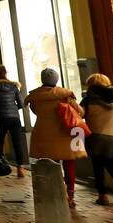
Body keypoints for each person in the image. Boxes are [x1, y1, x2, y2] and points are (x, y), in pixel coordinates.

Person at [25, 67, 86, 207]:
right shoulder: (65, 95)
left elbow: (36, 112)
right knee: (69, 164)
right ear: (56, 80)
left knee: (50, 167)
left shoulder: (35, 97)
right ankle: (70, 196)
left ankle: (56, 194)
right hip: (66, 134)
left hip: (44, 134)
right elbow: (80, 113)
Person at [80, 73, 113, 205]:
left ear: (91, 85)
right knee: (112, 165)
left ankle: (104, 196)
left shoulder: (88, 100)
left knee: (99, 167)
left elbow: (80, 114)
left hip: (97, 138)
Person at [0, 65, 27, 177]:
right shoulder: (13, 87)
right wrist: (12, 109)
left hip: (0, 118)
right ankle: (20, 168)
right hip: (14, 118)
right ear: (5, 73)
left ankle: (0, 166)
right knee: (18, 143)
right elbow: (20, 103)